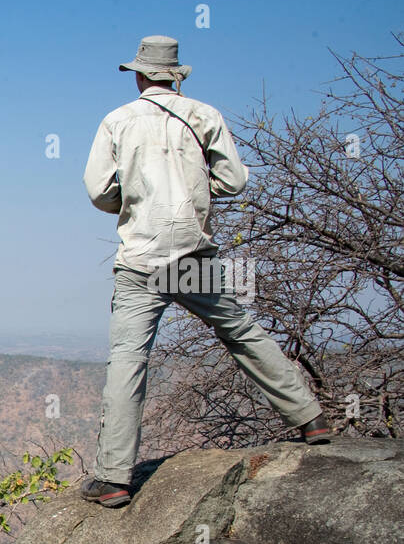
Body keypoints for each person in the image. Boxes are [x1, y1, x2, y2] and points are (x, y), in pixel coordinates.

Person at [80, 35, 330, 509]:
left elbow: (99, 192)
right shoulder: (204, 115)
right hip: (192, 254)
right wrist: (196, 192)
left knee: (129, 358)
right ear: (176, 74)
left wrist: (132, 201)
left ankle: (114, 476)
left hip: (142, 260)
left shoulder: (117, 120)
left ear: (138, 75)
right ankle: (309, 417)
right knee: (239, 329)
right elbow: (234, 180)